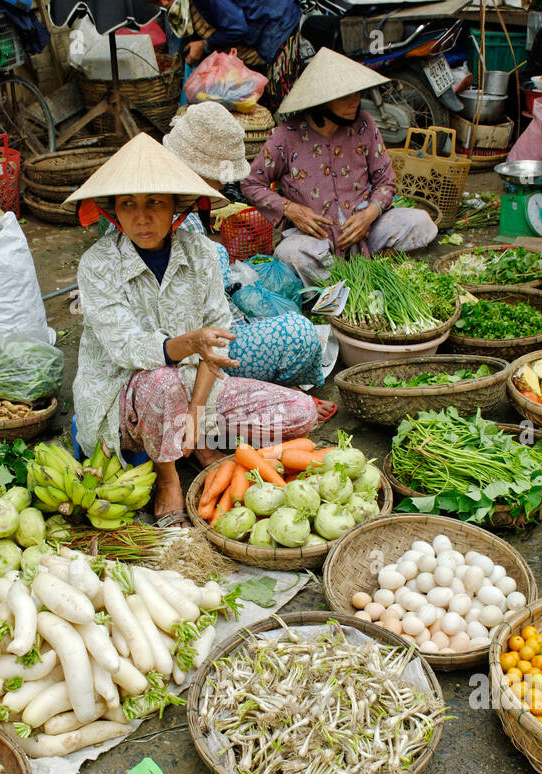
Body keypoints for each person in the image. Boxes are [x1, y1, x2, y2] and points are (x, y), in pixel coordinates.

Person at [67, 133, 319, 527]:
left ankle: (201, 443)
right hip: (126, 401)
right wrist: (190, 343)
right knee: (162, 381)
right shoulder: (97, 263)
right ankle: (168, 478)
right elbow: (127, 348)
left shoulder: (200, 253)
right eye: (128, 205)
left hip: (195, 394)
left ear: (176, 209)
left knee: (300, 412)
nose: (142, 217)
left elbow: (215, 341)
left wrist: (199, 414)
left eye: (155, 203)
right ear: (114, 212)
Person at [161, 102, 329, 396]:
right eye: (217, 176)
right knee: (300, 333)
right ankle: (269, 391)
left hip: (205, 336)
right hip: (192, 352)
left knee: (272, 294)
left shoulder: (178, 205)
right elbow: (196, 327)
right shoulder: (171, 218)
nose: (222, 183)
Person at [241, 48, 439, 283]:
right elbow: (251, 183)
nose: (355, 101)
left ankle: (374, 271)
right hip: (315, 241)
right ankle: (343, 281)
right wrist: (291, 210)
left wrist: (370, 213)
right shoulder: (287, 136)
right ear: (322, 102)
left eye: (356, 93)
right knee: (289, 254)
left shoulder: (365, 125)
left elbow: (386, 180)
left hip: (365, 233)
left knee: (420, 223)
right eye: (345, 96)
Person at [160, 0, 303, 112]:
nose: (164, 4)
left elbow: (237, 28)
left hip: (277, 23)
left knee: (283, 102)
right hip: (272, 18)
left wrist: (205, 44)